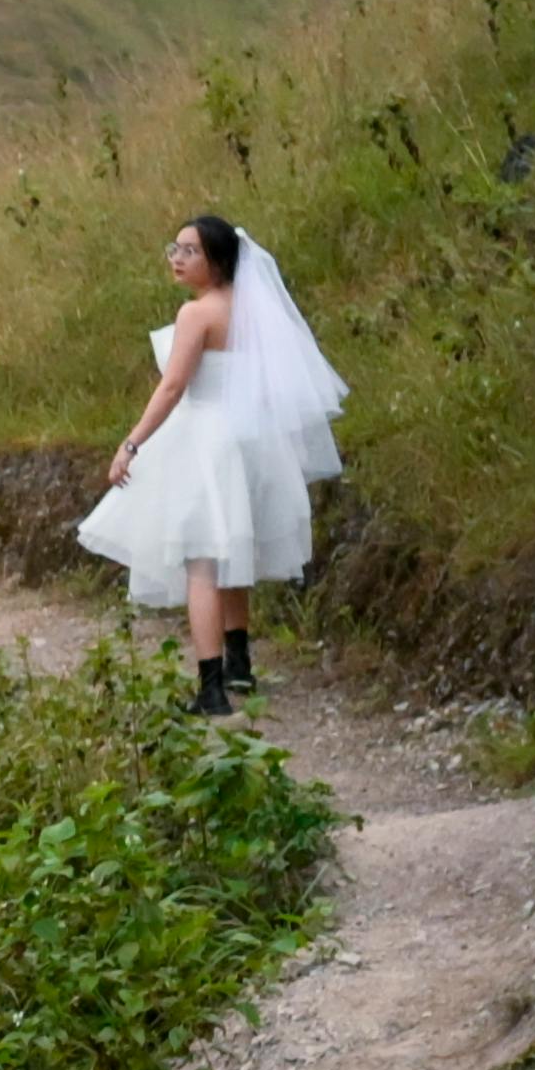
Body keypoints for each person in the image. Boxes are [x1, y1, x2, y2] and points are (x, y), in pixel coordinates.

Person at [75, 212, 347, 716]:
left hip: (205, 439)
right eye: (174, 249)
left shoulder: (197, 315)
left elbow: (174, 387)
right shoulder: (251, 309)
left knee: (201, 561)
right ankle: (240, 662)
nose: (177, 259)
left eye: (189, 251)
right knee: (232, 547)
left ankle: (210, 688)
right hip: (250, 438)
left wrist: (131, 443)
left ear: (217, 259)